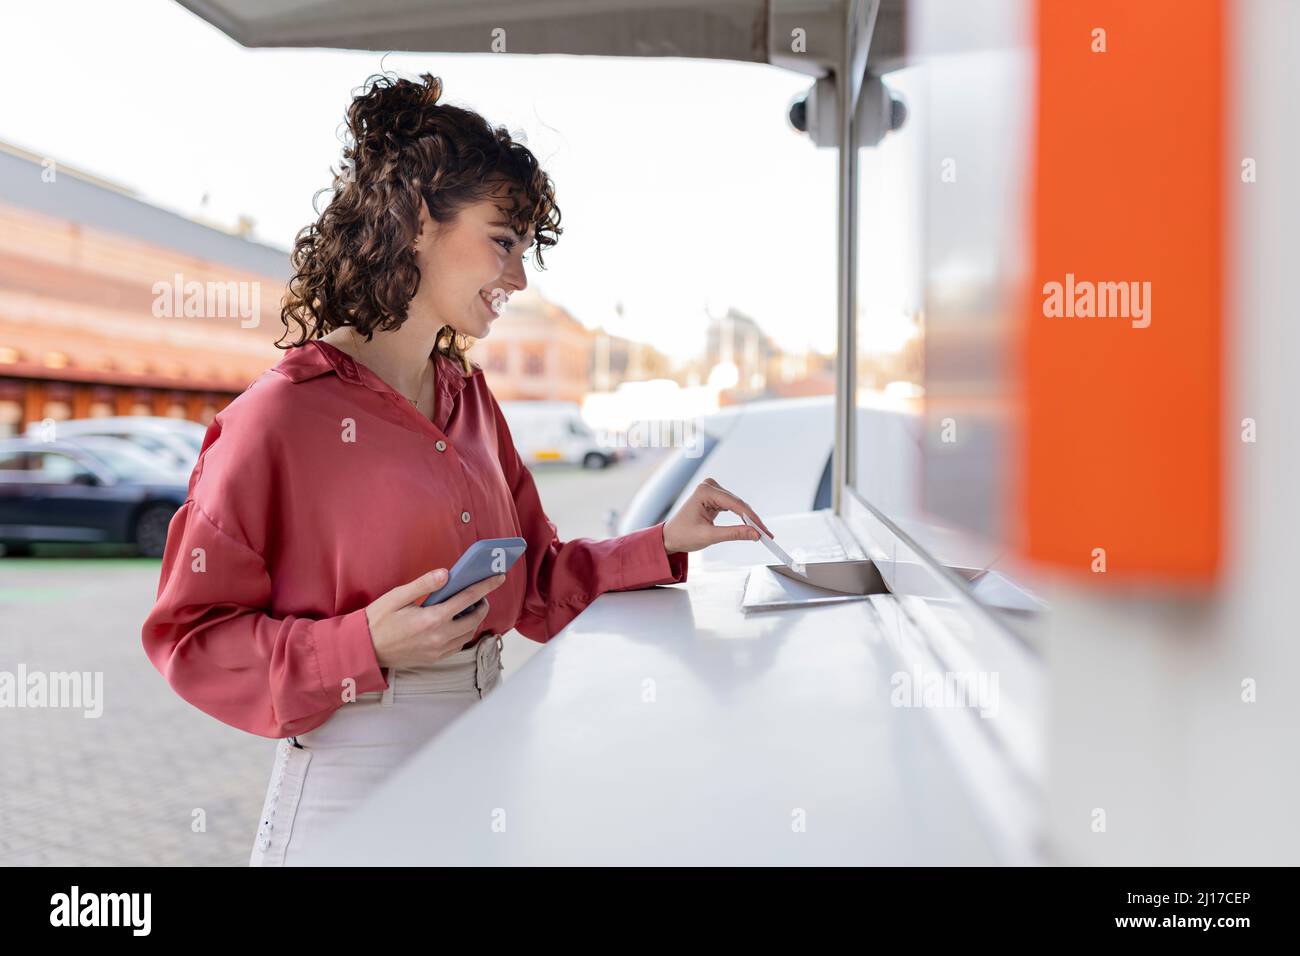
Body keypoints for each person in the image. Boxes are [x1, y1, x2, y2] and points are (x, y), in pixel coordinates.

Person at [140, 72, 774, 866]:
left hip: (488, 747)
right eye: (502, 242)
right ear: (413, 222)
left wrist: (662, 543)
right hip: (355, 783)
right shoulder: (278, 419)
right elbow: (191, 639)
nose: (518, 278)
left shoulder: (471, 401)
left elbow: (538, 585)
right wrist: (359, 644)